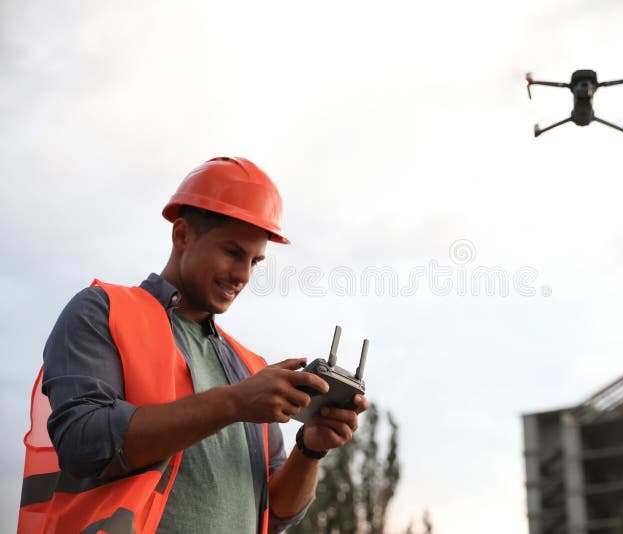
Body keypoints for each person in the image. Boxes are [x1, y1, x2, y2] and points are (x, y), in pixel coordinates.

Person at [18, 156, 368, 533]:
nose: (243, 275)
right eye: (233, 253)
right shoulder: (103, 311)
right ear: (182, 235)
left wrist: (310, 449)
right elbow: (82, 442)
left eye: (255, 262)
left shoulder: (250, 368)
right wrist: (235, 402)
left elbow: (275, 514)